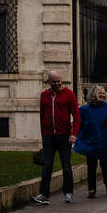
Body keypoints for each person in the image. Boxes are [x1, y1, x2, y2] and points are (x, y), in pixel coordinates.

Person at [33, 70, 80, 205]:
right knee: (47, 165)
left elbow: (76, 116)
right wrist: (43, 136)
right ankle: (44, 194)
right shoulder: (44, 96)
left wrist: (73, 134)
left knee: (66, 165)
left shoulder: (69, 94)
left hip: (64, 135)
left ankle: (69, 193)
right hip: (49, 135)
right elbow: (42, 116)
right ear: (49, 82)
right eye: (54, 81)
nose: (57, 83)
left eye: (59, 81)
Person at [77, 86, 107, 199]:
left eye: (104, 93)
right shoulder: (84, 109)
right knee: (91, 166)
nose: (102, 95)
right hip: (90, 141)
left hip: (104, 141)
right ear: (93, 94)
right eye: (100, 93)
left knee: (105, 164)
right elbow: (78, 124)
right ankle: (91, 189)